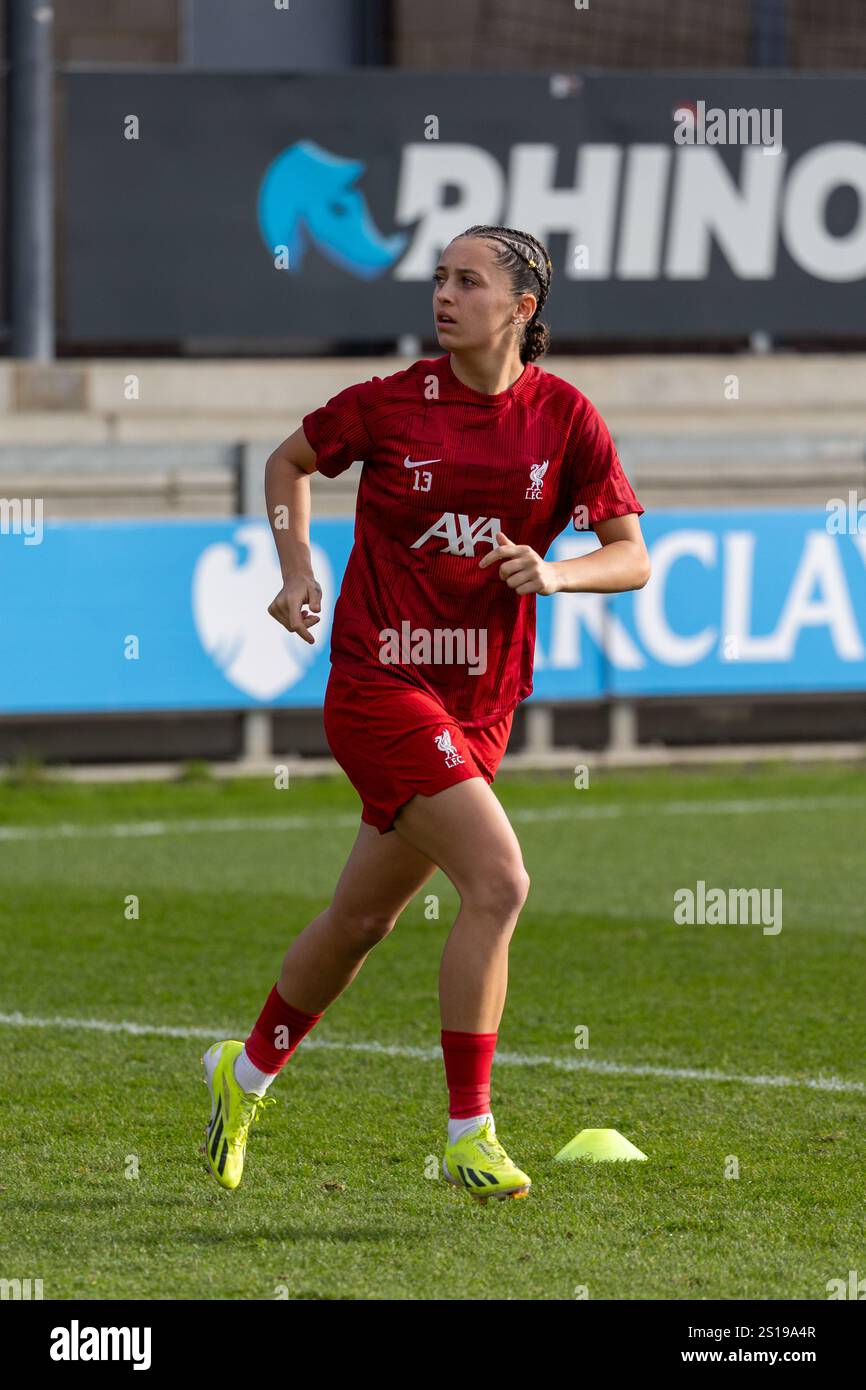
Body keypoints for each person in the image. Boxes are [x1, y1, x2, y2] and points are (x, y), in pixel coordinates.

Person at [200, 224, 650, 1202]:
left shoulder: (565, 418)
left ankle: (240, 1078)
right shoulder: (390, 404)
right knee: (499, 880)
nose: (443, 295)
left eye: (466, 281)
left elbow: (631, 554)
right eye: (437, 278)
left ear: (520, 310)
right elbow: (286, 463)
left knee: (361, 918)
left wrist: (554, 573)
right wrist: (293, 572)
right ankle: (466, 1131)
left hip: (479, 704)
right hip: (379, 685)